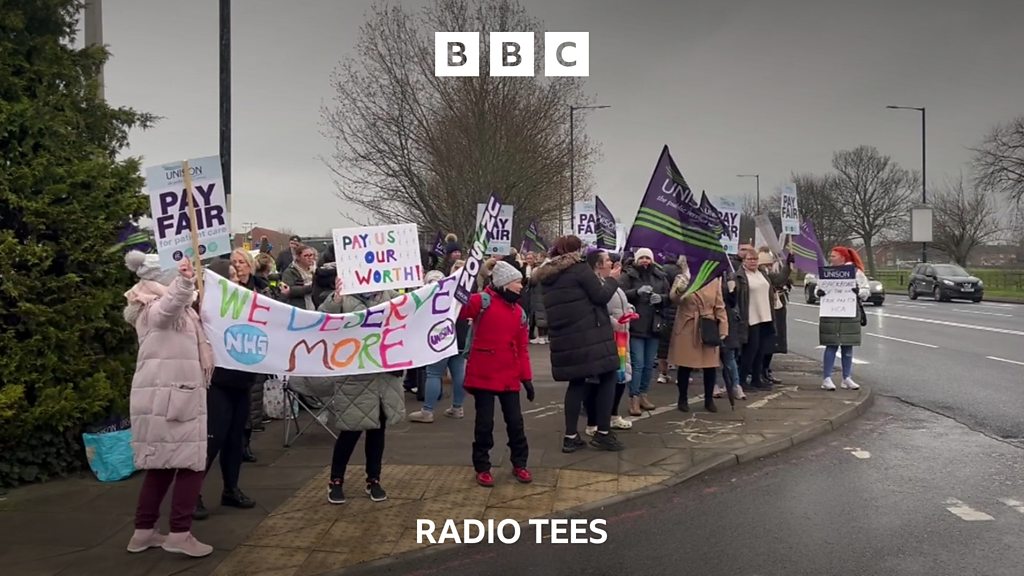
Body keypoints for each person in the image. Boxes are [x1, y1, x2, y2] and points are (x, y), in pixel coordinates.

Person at [122, 251, 213, 558]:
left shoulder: (156, 307)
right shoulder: (154, 307)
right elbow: (169, 307)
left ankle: (144, 532)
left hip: (167, 398)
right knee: (191, 464)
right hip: (175, 400)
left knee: (160, 468)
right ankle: (179, 533)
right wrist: (185, 281)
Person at [291, 280, 405, 504]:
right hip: (354, 375)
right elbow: (322, 318)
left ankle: (374, 479)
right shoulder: (344, 297)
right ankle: (336, 480)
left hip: (382, 376)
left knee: (377, 431)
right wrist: (336, 298)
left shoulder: (390, 295)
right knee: (350, 430)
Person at [532, 236, 624, 453]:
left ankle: (570, 435)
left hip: (565, 337)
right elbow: (600, 296)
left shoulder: (548, 275)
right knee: (609, 375)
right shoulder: (579, 269)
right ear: (575, 250)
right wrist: (612, 279)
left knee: (577, 383)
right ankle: (603, 433)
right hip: (589, 335)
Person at [459, 261, 535, 486]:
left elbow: (522, 348)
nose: (521, 286)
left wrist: (526, 378)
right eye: (517, 282)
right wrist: (462, 280)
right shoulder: (481, 301)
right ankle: (482, 466)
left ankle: (520, 463)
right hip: (484, 373)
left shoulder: (519, 312)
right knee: (484, 424)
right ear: (503, 283)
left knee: (515, 423)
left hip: (509, 376)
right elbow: (457, 307)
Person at [192, 260, 257, 521]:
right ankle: (191, 493)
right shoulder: (205, 308)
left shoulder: (248, 302)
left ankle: (231, 488)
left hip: (242, 381)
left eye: (237, 273)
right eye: (230, 275)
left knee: (235, 439)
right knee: (212, 440)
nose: (237, 277)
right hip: (217, 383)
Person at [583, 249, 636, 434]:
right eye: (606, 260)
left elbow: (622, 303)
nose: (610, 263)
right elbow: (597, 310)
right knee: (597, 382)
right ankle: (593, 422)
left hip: (621, 339)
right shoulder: (596, 285)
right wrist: (615, 323)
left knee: (620, 377)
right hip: (604, 339)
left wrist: (629, 310)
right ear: (598, 265)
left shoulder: (614, 284)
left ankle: (613, 415)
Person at [408, 270, 468, 422]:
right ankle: (457, 407)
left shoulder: (426, 297)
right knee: (458, 372)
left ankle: (427, 411)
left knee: (433, 373)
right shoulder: (455, 293)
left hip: (438, 337)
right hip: (458, 335)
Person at [668, 273, 729, 413]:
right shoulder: (682, 278)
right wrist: (679, 290)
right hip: (687, 326)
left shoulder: (714, 279)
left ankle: (709, 400)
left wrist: (723, 327)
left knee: (710, 365)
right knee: (685, 365)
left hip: (708, 326)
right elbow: (674, 299)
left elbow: (719, 306)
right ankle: (682, 399)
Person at [619, 247, 670, 415]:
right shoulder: (629, 275)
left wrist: (661, 298)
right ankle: (633, 398)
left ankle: (643, 394)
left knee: (649, 365)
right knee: (638, 364)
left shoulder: (660, 276)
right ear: (636, 259)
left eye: (648, 258)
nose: (645, 261)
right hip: (636, 326)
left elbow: (669, 297)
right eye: (641, 258)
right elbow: (619, 295)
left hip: (653, 326)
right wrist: (636, 292)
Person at [735, 246, 791, 391]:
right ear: (744, 260)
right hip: (750, 317)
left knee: (761, 350)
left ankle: (756, 379)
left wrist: (788, 266)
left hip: (765, 316)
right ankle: (742, 380)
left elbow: (779, 280)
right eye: (750, 259)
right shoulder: (740, 276)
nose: (753, 262)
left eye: (755, 259)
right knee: (750, 351)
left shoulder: (762, 274)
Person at [817, 247, 869, 391]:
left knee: (847, 345)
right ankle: (827, 378)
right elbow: (818, 289)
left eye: (834, 256)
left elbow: (866, 290)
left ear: (843, 257)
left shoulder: (856, 273)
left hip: (849, 311)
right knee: (831, 344)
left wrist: (859, 292)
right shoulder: (826, 273)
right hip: (831, 312)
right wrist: (819, 292)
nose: (831, 258)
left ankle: (847, 378)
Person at [656, 254, 682, 384]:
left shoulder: (660, 270)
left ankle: (662, 373)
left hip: (665, 308)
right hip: (679, 309)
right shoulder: (681, 272)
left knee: (663, 344)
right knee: (679, 344)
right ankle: (680, 375)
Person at [280, 243, 317, 310]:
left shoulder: (316, 271)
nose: (310, 258)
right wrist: (310, 288)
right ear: (298, 257)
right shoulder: (290, 272)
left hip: (315, 306)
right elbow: (287, 290)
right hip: (299, 307)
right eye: (306, 256)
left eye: (311, 255)